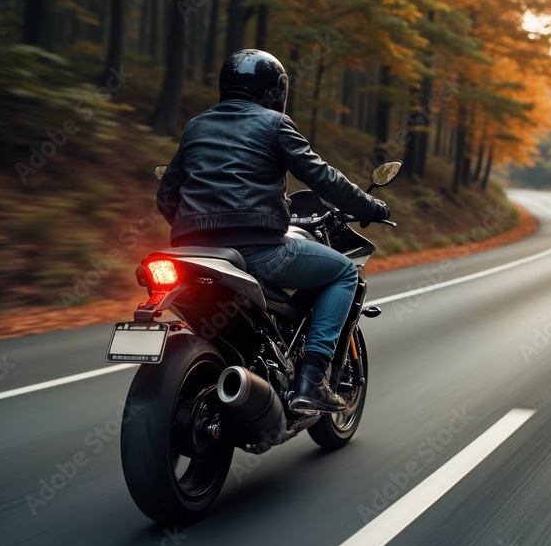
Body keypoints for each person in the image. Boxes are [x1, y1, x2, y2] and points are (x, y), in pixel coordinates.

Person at [156, 49, 390, 413]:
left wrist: (196, 229)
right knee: (344, 272)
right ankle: (311, 381)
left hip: (192, 251)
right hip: (257, 250)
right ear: (276, 89)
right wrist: (370, 206)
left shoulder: (196, 126)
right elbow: (322, 177)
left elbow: (167, 195)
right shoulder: (275, 124)